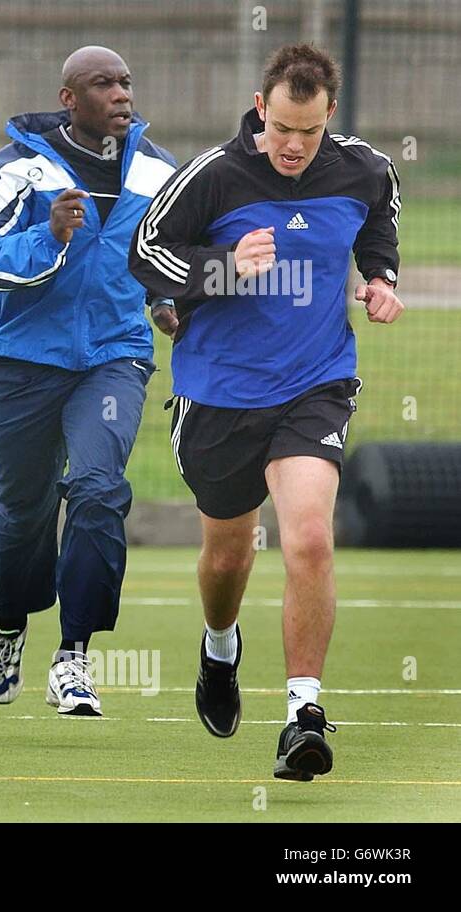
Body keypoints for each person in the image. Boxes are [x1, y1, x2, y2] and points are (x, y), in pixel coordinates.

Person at [128, 43, 402, 780]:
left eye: (308, 132)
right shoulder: (214, 176)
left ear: (329, 118)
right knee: (228, 556)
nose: (292, 144)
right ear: (261, 107)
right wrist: (221, 268)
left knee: (309, 536)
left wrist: (380, 278)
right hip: (218, 395)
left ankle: (303, 714)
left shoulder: (364, 168)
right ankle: (220, 647)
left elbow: (379, 215)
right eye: (282, 126)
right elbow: (145, 254)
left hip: (316, 385)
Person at [0, 47, 176, 716]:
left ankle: (74, 656)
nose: (121, 94)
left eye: (126, 81)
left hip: (114, 357)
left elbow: (163, 259)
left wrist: (167, 302)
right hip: (20, 362)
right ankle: (10, 623)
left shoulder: (159, 173)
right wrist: (48, 237)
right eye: (103, 83)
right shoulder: (18, 169)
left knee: (99, 489)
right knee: (25, 510)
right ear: (70, 98)